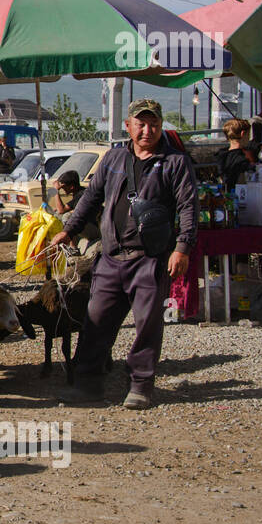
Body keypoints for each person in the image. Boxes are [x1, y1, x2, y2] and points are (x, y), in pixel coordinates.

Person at [48, 99, 196, 410]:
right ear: (128, 126)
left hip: (150, 258)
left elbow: (187, 207)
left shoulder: (175, 162)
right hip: (111, 256)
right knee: (96, 322)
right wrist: (69, 230)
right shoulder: (114, 158)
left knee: (147, 326)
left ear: (161, 126)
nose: (147, 130)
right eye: (140, 123)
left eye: (153, 123)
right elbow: (90, 198)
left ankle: (141, 386)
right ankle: (87, 385)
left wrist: (182, 247)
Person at [217, 118, 255, 191]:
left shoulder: (222, 154)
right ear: (242, 134)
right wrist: (252, 161)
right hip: (240, 192)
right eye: (248, 135)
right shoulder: (242, 157)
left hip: (226, 191)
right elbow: (251, 174)